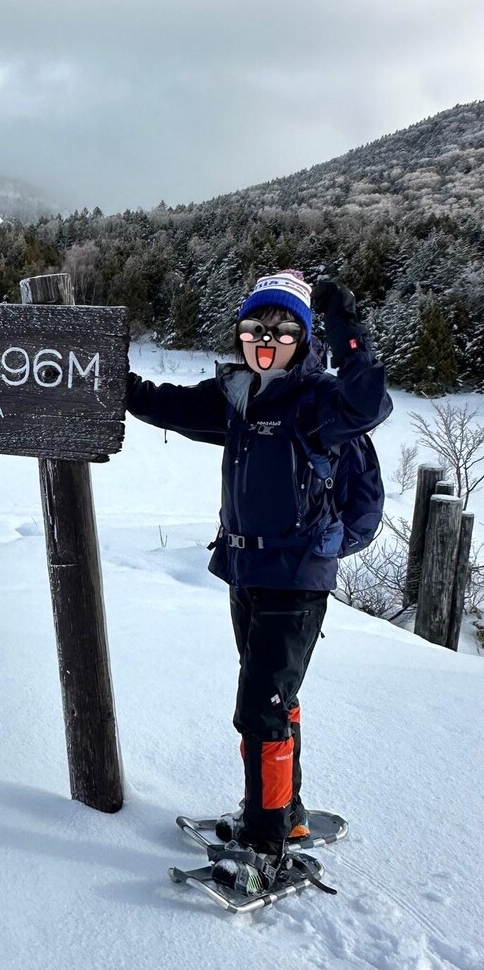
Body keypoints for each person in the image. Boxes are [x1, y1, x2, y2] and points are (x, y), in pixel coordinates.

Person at [126, 269, 393, 894]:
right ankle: (282, 813)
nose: (265, 340)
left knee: (260, 708)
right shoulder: (238, 399)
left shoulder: (319, 403)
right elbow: (164, 402)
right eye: (254, 329)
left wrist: (346, 328)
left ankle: (267, 843)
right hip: (246, 571)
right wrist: (113, 382)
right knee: (273, 700)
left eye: (281, 330)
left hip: (297, 577)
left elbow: (370, 400)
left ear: (302, 338)